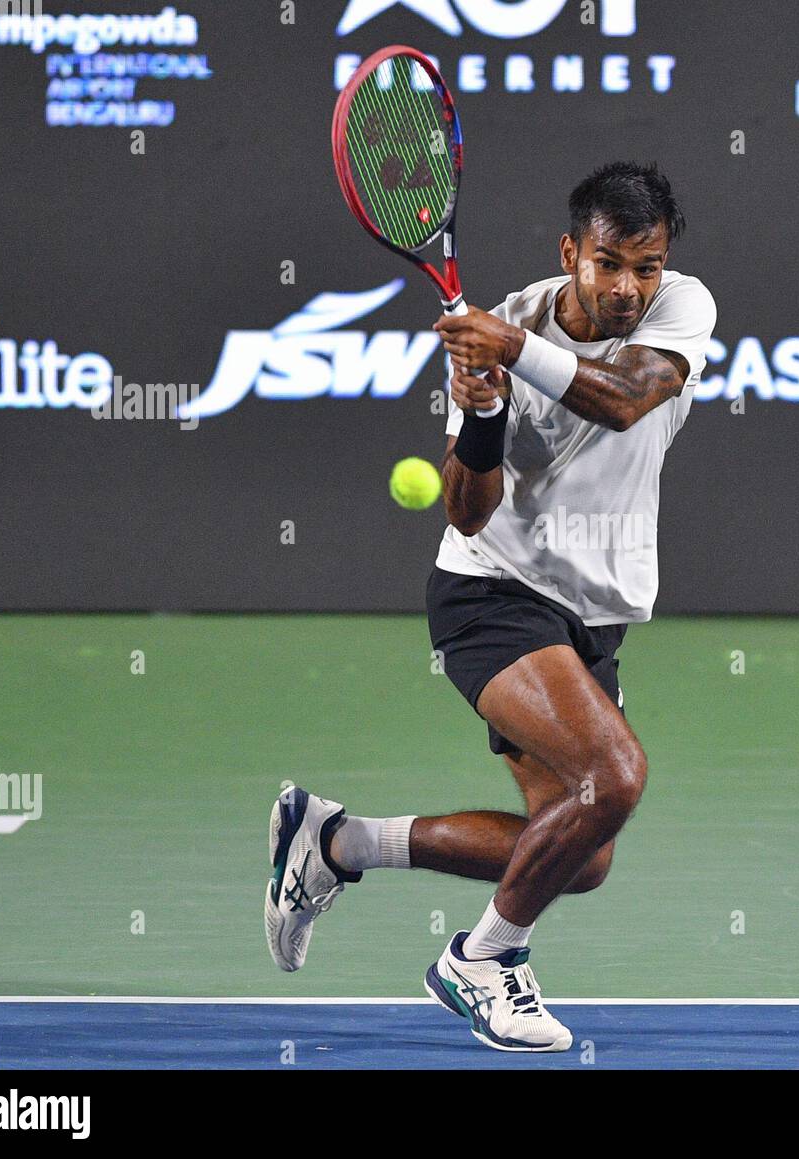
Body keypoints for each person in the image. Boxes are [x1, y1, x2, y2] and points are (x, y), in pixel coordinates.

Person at [265, 161, 717, 1052]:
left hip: (595, 612)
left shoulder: (680, 310)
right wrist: (478, 414)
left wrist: (509, 358)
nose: (629, 286)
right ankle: (484, 958)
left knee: (580, 856)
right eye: (609, 262)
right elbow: (468, 506)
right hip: (491, 594)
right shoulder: (506, 323)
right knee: (616, 774)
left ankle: (336, 845)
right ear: (571, 253)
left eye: (646, 265)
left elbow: (625, 401)